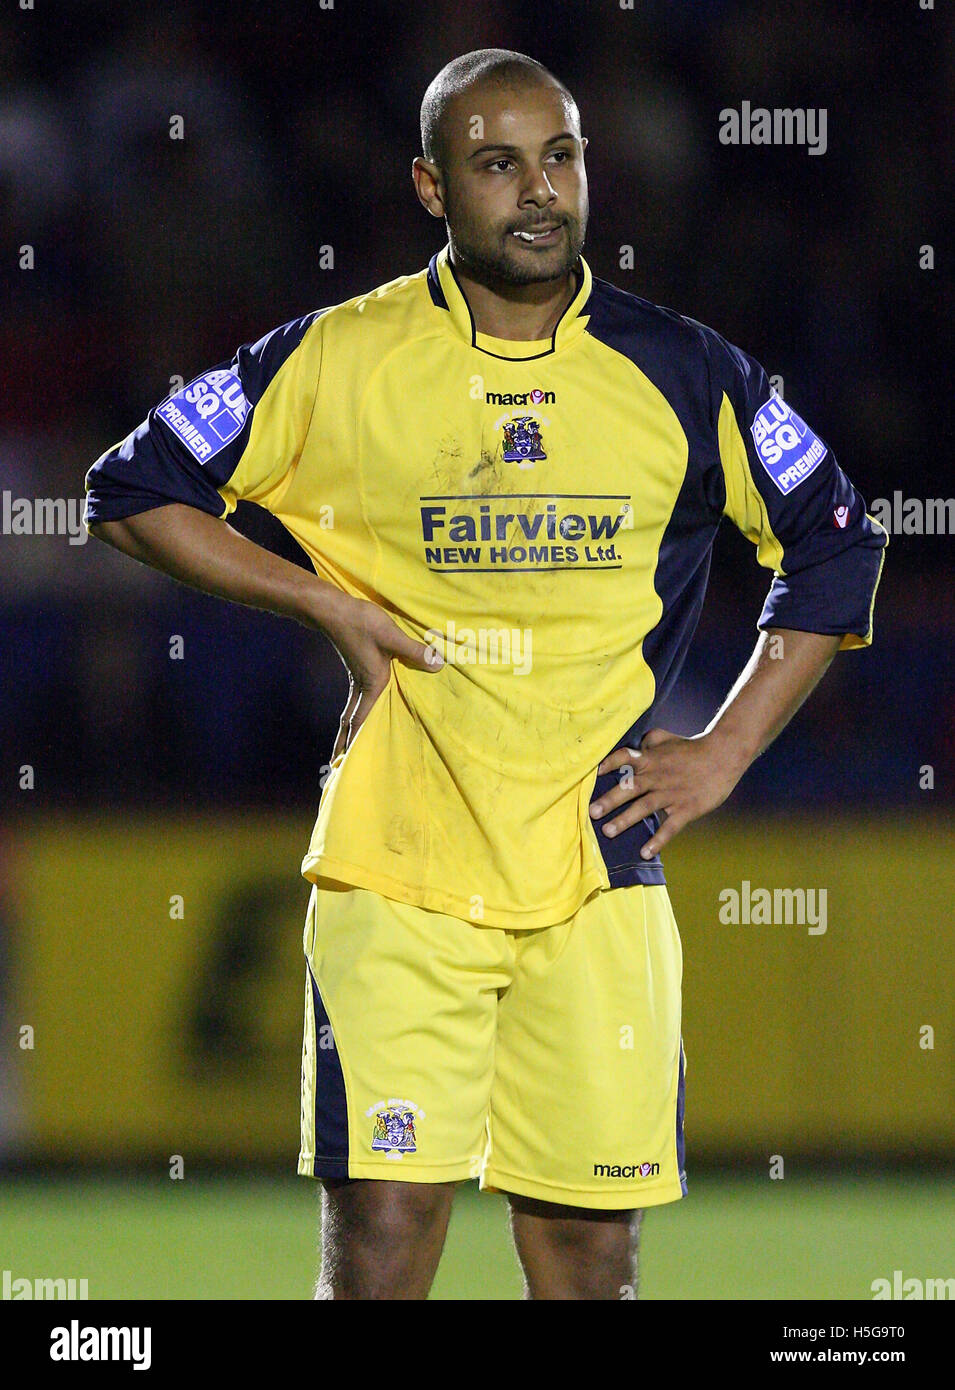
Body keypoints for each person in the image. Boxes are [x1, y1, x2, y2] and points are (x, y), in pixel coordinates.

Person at [84, 48, 887, 1300]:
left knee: (586, 1255)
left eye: (558, 157)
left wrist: (723, 748)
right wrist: (316, 601)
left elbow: (835, 544)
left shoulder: (685, 370)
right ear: (429, 186)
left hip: (598, 867)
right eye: (496, 163)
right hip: (398, 863)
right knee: (389, 1235)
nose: (536, 191)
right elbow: (131, 489)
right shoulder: (338, 356)